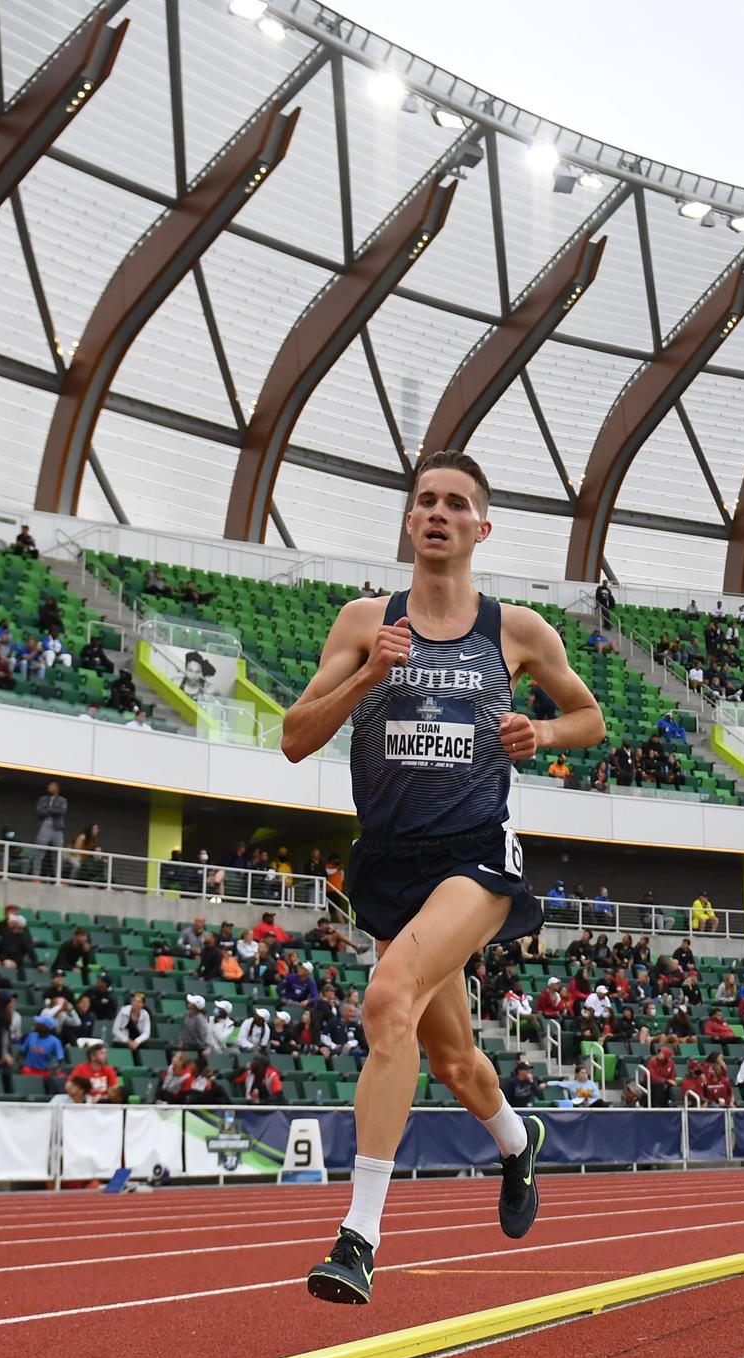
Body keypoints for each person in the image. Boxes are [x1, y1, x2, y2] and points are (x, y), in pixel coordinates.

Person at [289, 450, 605, 1306]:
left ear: (480, 528)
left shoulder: (517, 630)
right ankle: (516, 1143)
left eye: (456, 503)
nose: (437, 512)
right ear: (408, 520)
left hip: (473, 853)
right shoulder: (364, 622)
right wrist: (368, 676)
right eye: (424, 500)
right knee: (455, 1057)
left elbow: (590, 715)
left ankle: (358, 1237)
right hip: (389, 860)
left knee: (388, 999)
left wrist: (543, 735)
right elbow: (293, 735)